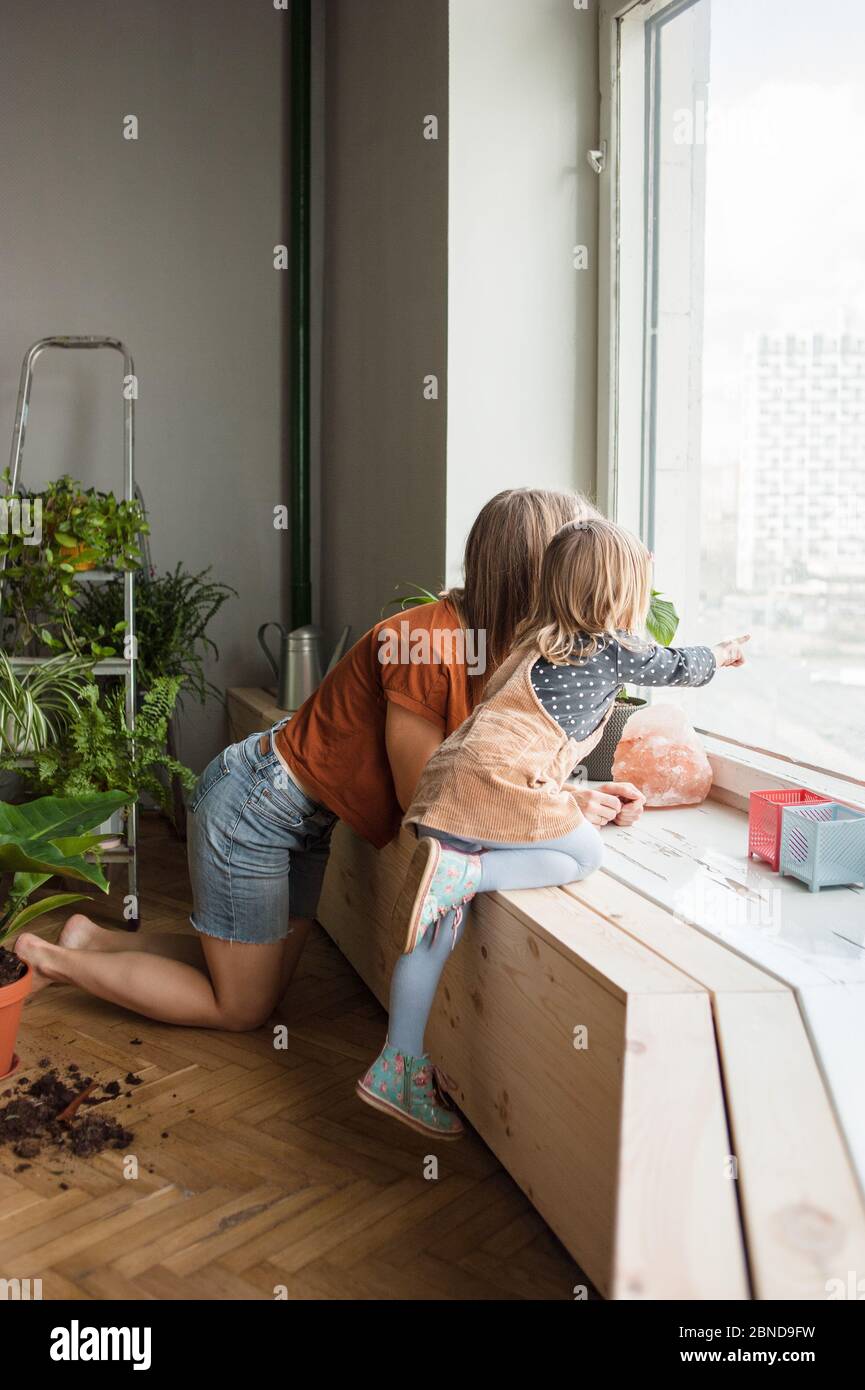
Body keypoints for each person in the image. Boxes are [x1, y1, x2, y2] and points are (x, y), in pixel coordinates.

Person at [15, 490, 646, 1032]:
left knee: (247, 964)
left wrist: (572, 790)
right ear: (533, 574)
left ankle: (90, 941)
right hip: (256, 808)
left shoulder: (503, 656)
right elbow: (425, 795)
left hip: (300, 817)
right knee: (241, 1008)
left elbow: (489, 766)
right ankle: (51, 962)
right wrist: (557, 810)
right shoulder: (428, 638)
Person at [356, 517, 749, 1139]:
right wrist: (724, 653)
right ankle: (470, 872)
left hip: (452, 781)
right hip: (497, 786)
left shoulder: (535, 641)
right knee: (583, 854)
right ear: (620, 594)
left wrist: (565, 793)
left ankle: (396, 1064)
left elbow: (515, 737)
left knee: (430, 934)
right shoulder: (610, 647)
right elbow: (677, 666)